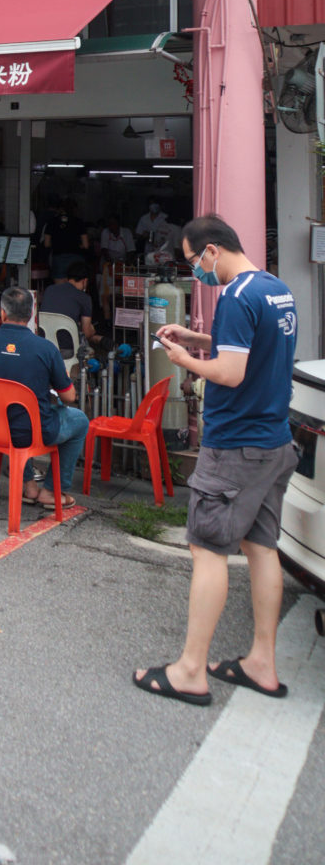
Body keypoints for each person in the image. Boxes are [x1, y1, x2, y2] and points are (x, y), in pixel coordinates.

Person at [135, 214, 299, 706]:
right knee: (261, 547)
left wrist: (182, 360)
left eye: (193, 263)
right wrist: (197, 338)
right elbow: (253, 351)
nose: (195, 274)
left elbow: (229, 373)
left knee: (207, 549)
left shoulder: (234, 295)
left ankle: (189, 670)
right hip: (274, 441)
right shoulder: (276, 290)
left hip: (234, 447)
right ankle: (261, 663)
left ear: (211, 251)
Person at [0, 284, 89, 509]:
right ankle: (52, 491)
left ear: (2, 313)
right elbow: (69, 396)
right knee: (79, 420)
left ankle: (28, 486)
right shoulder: (45, 348)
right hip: (33, 433)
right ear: (32, 314)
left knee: (15, 417)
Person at [41, 261, 100, 352]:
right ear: (85, 281)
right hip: (68, 349)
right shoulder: (84, 298)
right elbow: (86, 333)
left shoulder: (49, 290)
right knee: (89, 350)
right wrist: (92, 330)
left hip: (44, 344)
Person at [41, 199, 89, 280]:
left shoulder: (52, 222)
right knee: (75, 289)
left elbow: (46, 244)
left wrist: (57, 243)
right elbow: (86, 245)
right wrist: (78, 245)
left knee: (60, 290)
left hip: (58, 258)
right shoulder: (79, 222)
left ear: (60, 209)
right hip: (76, 259)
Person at [135, 197, 181, 266]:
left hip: (165, 254)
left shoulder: (165, 220)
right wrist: (144, 236)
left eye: (155, 203)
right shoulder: (144, 218)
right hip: (150, 252)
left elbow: (176, 248)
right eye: (151, 203)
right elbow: (137, 234)